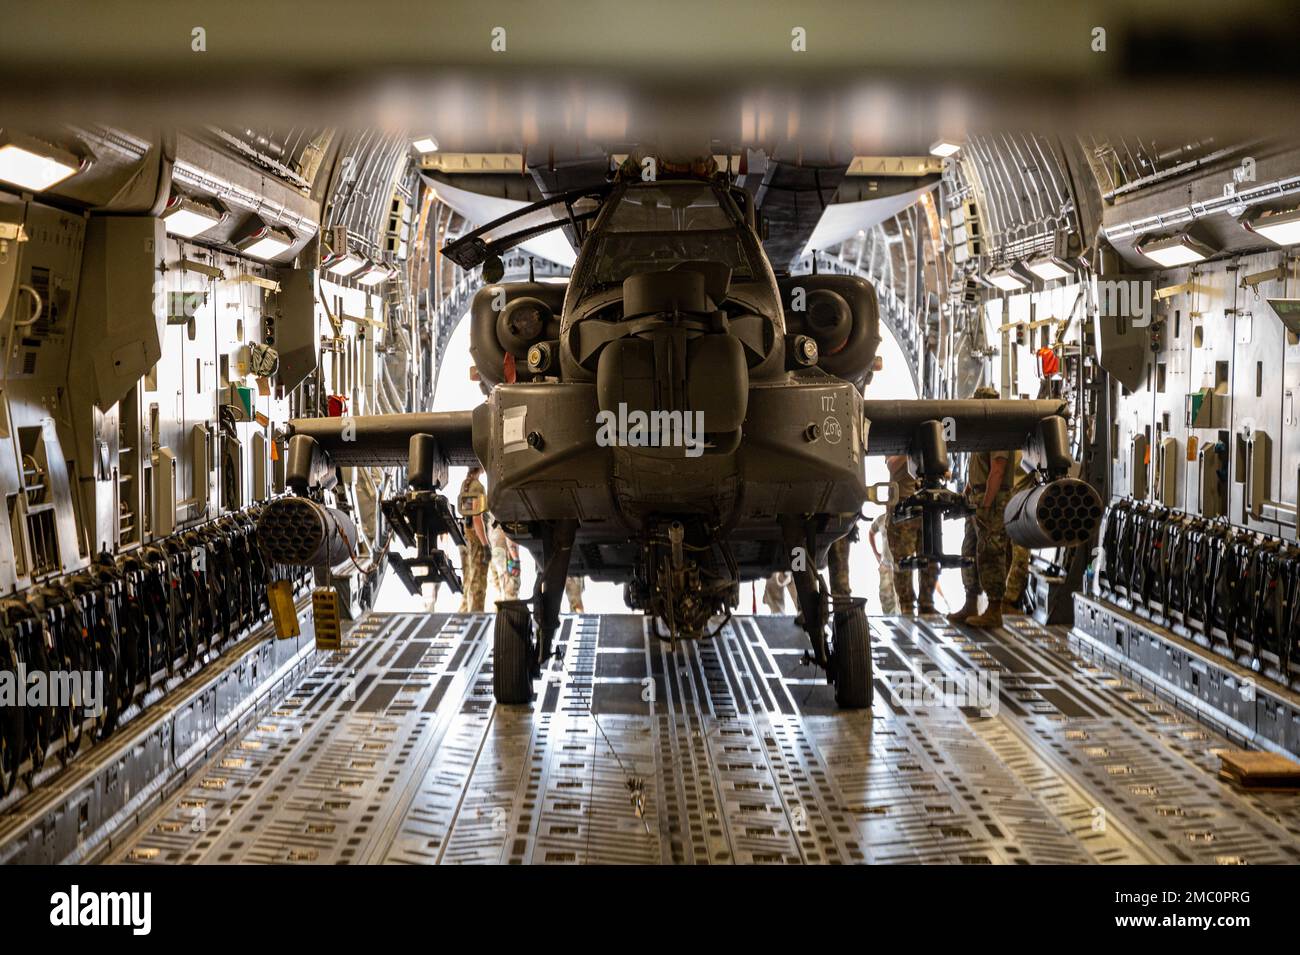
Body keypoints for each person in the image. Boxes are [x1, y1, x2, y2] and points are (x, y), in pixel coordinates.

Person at [948, 385, 1014, 628]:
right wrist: (968, 490)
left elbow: (997, 470)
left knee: (991, 552)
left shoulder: (998, 429)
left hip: (992, 501)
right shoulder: (982, 431)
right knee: (970, 550)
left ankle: (994, 609)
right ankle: (971, 602)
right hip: (976, 498)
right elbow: (980, 468)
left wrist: (986, 504)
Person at [884, 454, 938, 614]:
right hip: (903, 505)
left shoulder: (927, 437)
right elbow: (891, 465)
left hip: (927, 505)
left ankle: (926, 602)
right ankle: (907, 605)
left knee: (930, 558)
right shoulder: (898, 438)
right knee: (903, 560)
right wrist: (910, 451)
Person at [457, 467, 491, 612]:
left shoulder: (465, 483)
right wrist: (485, 544)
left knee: (468, 580)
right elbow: (477, 519)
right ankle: (477, 615)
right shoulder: (478, 487)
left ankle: (465, 612)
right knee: (478, 582)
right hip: (476, 538)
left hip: (466, 535)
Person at [867, 512, 899, 614]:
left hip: (899, 565)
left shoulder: (903, 515)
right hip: (886, 565)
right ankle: (889, 621)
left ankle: (901, 621)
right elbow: (871, 532)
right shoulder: (881, 519)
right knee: (886, 597)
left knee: (901, 597)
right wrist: (876, 552)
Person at [489, 521, 521, 602]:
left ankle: (501, 612)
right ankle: (511, 613)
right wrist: (516, 560)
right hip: (505, 540)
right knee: (511, 588)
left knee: (499, 586)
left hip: (494, 537)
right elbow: (510, 531)